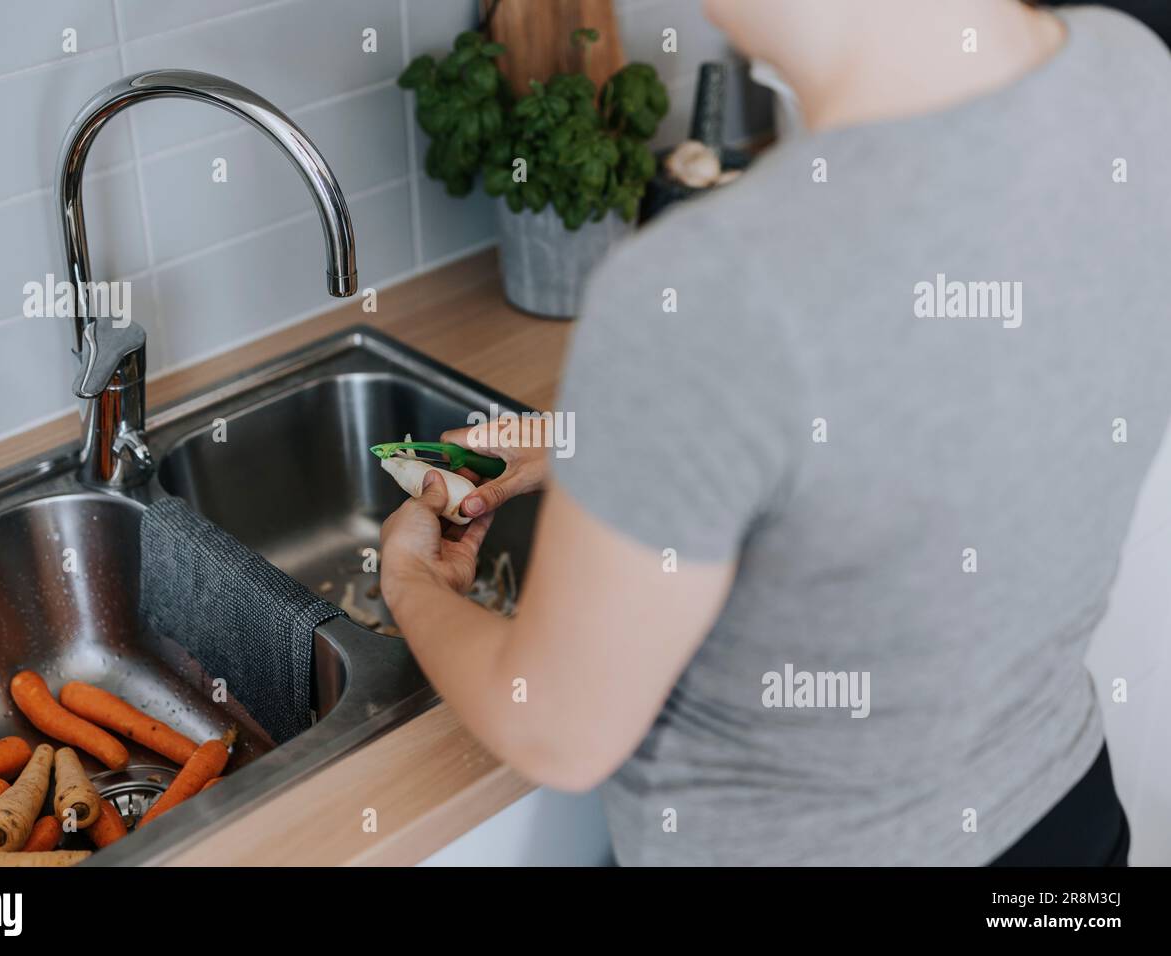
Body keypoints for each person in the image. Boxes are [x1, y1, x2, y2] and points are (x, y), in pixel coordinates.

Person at [379, 0, 1171, 865]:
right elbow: (946, 375)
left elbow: (558, 730)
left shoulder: (709, 284)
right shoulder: (1130, 71)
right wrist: (618, 438)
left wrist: (413, 580)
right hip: (1068, 835)